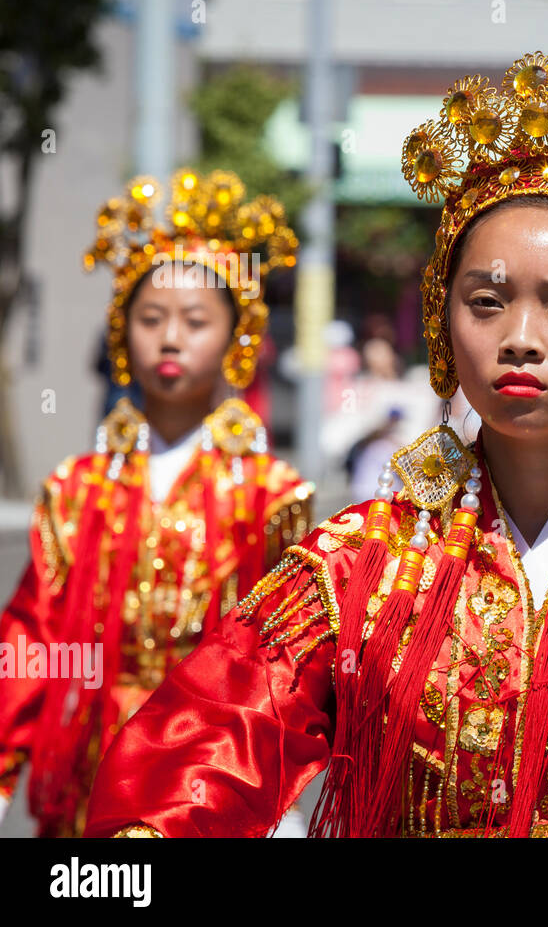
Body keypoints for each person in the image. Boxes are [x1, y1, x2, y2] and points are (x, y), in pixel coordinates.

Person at [84, 52, 548, 839]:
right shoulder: (360, 569)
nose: (519, 339)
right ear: (443, 323)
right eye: (487, 302)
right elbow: (203, 751)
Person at [0, 170, 314, 836]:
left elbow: (283, 659)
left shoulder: (272, 493)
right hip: (95, 746)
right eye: (150, 318)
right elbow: (33, 634)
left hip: (211, 752)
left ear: (237, 340)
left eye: (196, 321)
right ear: (122, 335)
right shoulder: (77, 489)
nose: (170, 337)